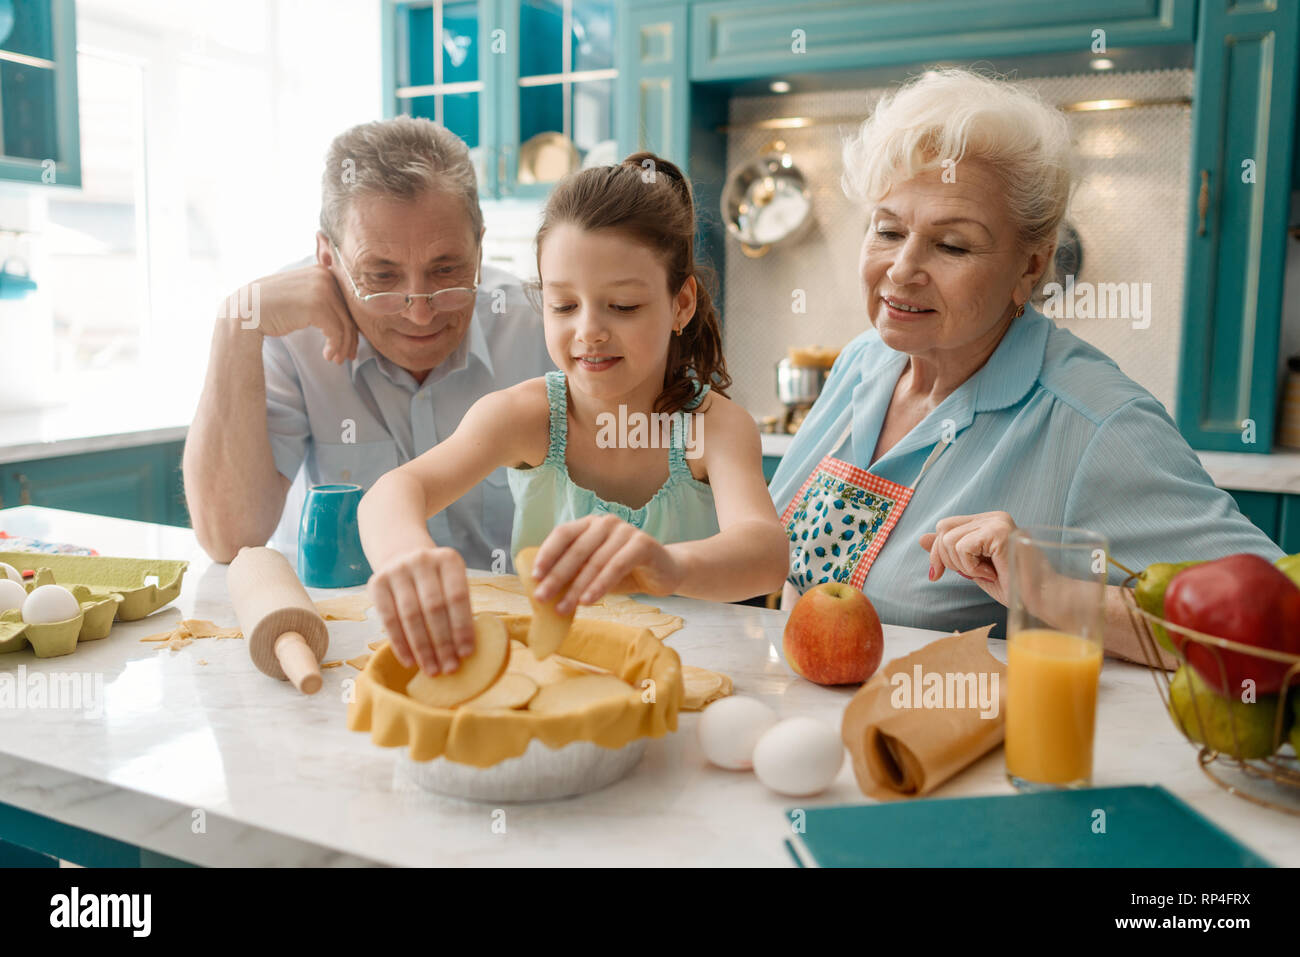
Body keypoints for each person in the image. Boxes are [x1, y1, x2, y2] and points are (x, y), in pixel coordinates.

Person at [767, 68, 1283, 661]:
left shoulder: (1095, 423)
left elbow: (1276, 621)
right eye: (887, 230)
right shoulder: (865, 361)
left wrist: (1050, 592)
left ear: (1030, 267)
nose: (903, 268)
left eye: (952, 244)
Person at [359, 153, 790, 676]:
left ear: (681, 304)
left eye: (623, 306)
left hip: (691, 680)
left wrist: (669, 566)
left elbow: (765, 553)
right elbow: (395, 491)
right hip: (555, 678)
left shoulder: (712, 427)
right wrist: (408, 557)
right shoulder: (525, 417)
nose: (588, 331)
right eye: (564, 306)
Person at [184, 116, 552, 568]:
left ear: (479, 246)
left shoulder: (540, 328)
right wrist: (233, 324)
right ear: (326, 258)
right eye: (381, 276)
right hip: (343, 625)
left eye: (446, 270)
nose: (420, 312)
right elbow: (229, 538)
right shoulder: (286, 333)